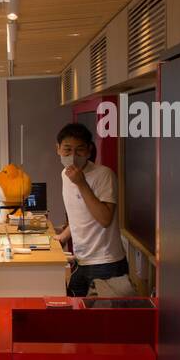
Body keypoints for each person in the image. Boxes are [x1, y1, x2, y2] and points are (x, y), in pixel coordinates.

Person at [53, 123, 131, 297]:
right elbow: (79, 216)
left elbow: (105, 219)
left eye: (79, 150)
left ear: (89, 150)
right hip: (82, 259)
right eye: (67, 149)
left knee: (105, 322)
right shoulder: (64, 175)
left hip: (106, 263)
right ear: (57, 149)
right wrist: (62, 237)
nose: (73, 156)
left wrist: (81, 183)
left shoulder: (104, 174)